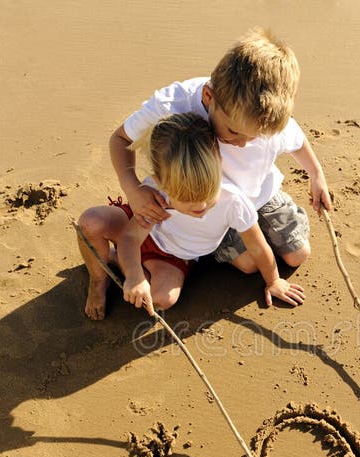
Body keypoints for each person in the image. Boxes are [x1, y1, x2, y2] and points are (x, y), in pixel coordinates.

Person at [110, 27, 331, 276]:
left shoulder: (269, 118)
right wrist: (133, 188)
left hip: (260, 192)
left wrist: (316, 174)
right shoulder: (171, 105)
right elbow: (120, 139)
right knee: (249, 265)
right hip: (213, 207)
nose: (243, 143)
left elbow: (297, 141)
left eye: (255, 136)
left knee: (297, 254)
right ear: (208, 96)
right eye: (234, 131)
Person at [76, 113, 305, 320]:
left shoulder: (233, 202)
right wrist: (135, 276)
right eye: (187, 198)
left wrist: (273, 280)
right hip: (136, 227)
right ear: (161, 181)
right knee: (91, 222)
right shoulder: (158, 193)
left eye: (208, 193)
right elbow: (130, 238)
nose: (201, 206)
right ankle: (99, 279)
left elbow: (258, 246)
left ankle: (113, 258)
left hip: (172, 256)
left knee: (161, 300)